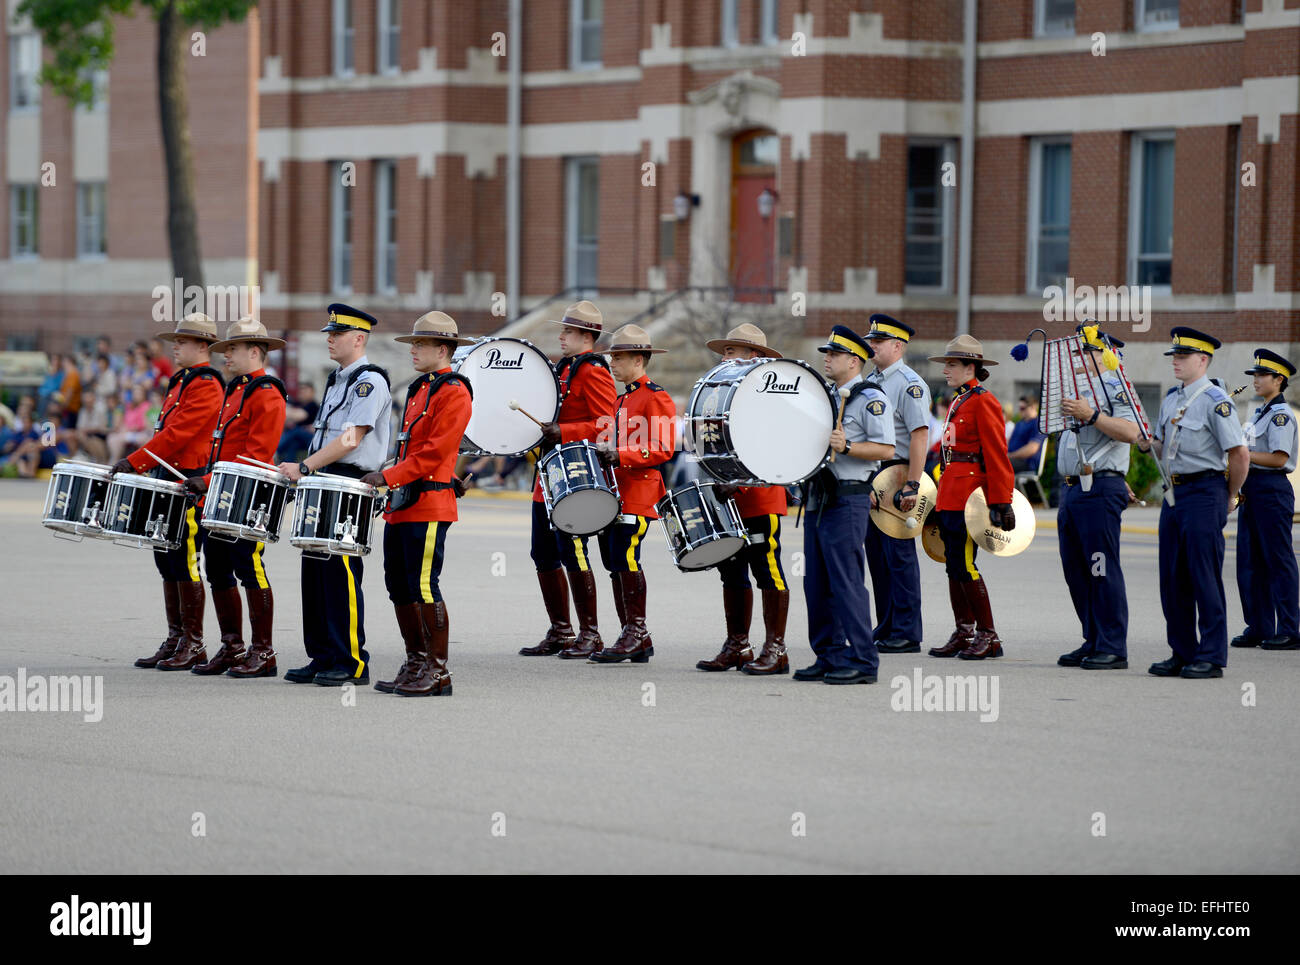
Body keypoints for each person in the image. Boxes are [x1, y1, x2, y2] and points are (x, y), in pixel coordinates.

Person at [277, 304, 392, 686]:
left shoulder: (369, 381)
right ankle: (323, 654)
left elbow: (351, 438)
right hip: (324, 477)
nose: (329, 339)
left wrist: (305, 466)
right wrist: (311, 471)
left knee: (341, 570)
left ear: (358, 339)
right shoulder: (337, 379)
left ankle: (351, 661)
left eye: (337, 334)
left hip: (346, 478)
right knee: (315, 570)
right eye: (329, 333)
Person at [362, 311, 474, 696]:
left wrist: (386, 476)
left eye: (421, 345)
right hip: (404, 502)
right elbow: (415, 447)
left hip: (427, 505)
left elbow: (435, 450)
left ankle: (438, 670)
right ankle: (416, 662)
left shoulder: (454, 390)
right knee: (399, 585)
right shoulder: (421, 388)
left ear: (442, 349)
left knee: (425, 585)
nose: (414, 351)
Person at [111, 314, 225, 670]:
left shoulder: (206, 383)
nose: (174, 346)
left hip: (188, 477)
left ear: (202, 347)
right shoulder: (181, 380)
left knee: (185, 558)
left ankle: (193, 642)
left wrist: (134, 461)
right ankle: (176, 637)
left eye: (183, 341)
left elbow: (179, 435)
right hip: (167, 474)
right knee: (166, 558)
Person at [182, 317, 287, 678]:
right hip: (222, 493)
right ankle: (232, 647)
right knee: (218, 569)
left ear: (254, 351)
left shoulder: (267, 392)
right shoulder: (237, 389)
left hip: (248, 496)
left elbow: (258, 455)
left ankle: (264, 651)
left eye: (233, 349)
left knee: (249, 567)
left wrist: (208, 479)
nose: (225, 355)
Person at [1143, 327, 1249, 679]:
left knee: (1203, 575)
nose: (1176, 361)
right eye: (1174, 355)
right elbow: (1164, 446)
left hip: (1205, 491)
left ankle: (1212, 655)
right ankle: (1182, 650)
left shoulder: (1215, 400)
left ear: (1203, 360)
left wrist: (1230, 495)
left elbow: (1238, 453)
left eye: (1183, 356)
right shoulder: (1173, 398)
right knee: (1172, 577)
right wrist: (1147, 443)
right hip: (1174, 493)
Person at [795, 325, 894, 684]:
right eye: (826, 353)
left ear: (854, 360)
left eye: (834, 354)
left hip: (848, 497)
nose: (827, 358)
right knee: (816, 582)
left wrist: (848, 446)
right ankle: (829, 654)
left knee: (847, 581)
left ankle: (864, 661)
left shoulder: (870, 398)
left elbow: (886, 450)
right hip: (819, 497)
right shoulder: (828, 397)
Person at [520, 299, 618, 660]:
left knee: (572, 550)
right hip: (549, 472)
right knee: (542, 552)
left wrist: (564, 431)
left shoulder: (592, 370)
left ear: (586, 336)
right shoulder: (564, 367)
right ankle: (562, 630)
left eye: (567, 331)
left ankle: (590, 633)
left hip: (575, 472)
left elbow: (607, 424)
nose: (560, 335)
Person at [692, 323, 791, 675]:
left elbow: (778, 450)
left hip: (759, 499)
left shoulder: (773, 397)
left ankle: (775, 649)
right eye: (725, 351)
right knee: (731, 571)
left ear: (755, 357)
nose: (724, 357)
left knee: (768, 572)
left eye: (732, 351)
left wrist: (741, 486)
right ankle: (738, 645)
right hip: (726, 498)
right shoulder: (724, 394)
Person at [1054, 325, 1141, 670]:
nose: (1077, 358)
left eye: (1084, 352)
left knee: (1101, 568)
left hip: (1098, 488)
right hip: (1073, 488)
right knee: (1076, 570)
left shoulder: (1117, 387)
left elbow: (1133, 432)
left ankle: (1112, 645)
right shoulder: (1078, 391)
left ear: (1101, 355)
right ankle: (1092, 638)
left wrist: (1091, 414)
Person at [926, 335, 1016, 661]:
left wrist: (1000, 500)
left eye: (951, 364)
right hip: (951, 491)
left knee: (964, 563)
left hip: (969, 494)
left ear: (970, 366)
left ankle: (989, 635)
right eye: (946, 364)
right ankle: (964, 631)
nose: (946, 369)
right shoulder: (959, 399)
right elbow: (947, 454)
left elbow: (996, 452)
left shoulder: (983, 400)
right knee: (953, 565)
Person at [590, 324, 676, 664]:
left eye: (619, 356)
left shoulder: (656, 396)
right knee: (614, 561)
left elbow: (664, 447)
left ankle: (637, 631)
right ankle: (632, 633)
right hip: (617, 491)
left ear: (639, 359)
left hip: (639, 492)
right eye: (612, 355)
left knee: (625, 557)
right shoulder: (621, 397)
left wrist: (620, 454)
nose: (613, 362)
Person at [862, 313, 931, 654]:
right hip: (874, 474)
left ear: (898, 346)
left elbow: (919, 435)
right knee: (877, 555)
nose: (871, 345)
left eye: (878, 341)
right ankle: (887, 623)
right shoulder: (872, 379)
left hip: (899, 471)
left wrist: (913, 484)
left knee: (899, 556)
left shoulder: (909, 383)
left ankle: (907, 630)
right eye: (870, 340)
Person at [1232, 349, 1299, 651]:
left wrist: (1240, 455)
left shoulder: (1281, 416)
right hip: (1253, 490)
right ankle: (1258, 626)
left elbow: (1278, 458)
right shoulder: (1261, 411)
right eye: (1255, 375)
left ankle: (1289, 628)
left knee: (1278, 561)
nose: (1256, 380)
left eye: (1261, 375)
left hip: (1271, 489)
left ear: (1279, 379)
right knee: (1250, 562)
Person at [1007, 395, 1046, 473]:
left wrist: (1010, 456)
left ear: (1033, 407)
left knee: (997, 465)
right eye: (1019, 408)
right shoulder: (1019, 424)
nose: (1020, 411)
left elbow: (1032, 448)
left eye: (1022, 408)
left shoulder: (1038, 424)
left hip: (1027, 463)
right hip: (1014, 460)